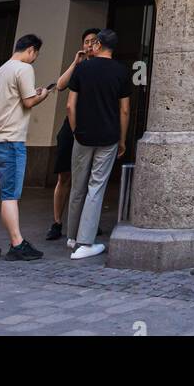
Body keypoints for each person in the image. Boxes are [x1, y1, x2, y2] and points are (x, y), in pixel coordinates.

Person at [0, 34, 53, 262]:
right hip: (10, 141)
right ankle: (17, 243)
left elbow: (12, 101)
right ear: (31, 50)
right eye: (36, 54)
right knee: (9, 196)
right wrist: (43, 95)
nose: (34, 58)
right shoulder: (24, 69)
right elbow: (28, 102)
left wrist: (29, 95)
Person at [65, 27, 132, 260]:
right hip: (108, 135)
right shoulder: (121, 71)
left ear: (98, 45)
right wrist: (122, 139)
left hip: (82, 135)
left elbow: (70, 105)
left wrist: (75, 131)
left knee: (77, 186)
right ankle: (85, 241)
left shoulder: (83, 68)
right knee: (96, 186)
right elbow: (124, 110)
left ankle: (71, 236)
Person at [46, 28, 99, 242]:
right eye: (86, 41)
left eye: (93, 41)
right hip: (71, 128)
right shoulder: (79, 67)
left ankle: (86, 223)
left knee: (88, 180)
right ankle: (57, 222)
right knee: (64, 176)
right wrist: (75, 62)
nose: (89, 45)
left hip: (91, 126)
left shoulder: (101, 67)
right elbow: (59, 85)